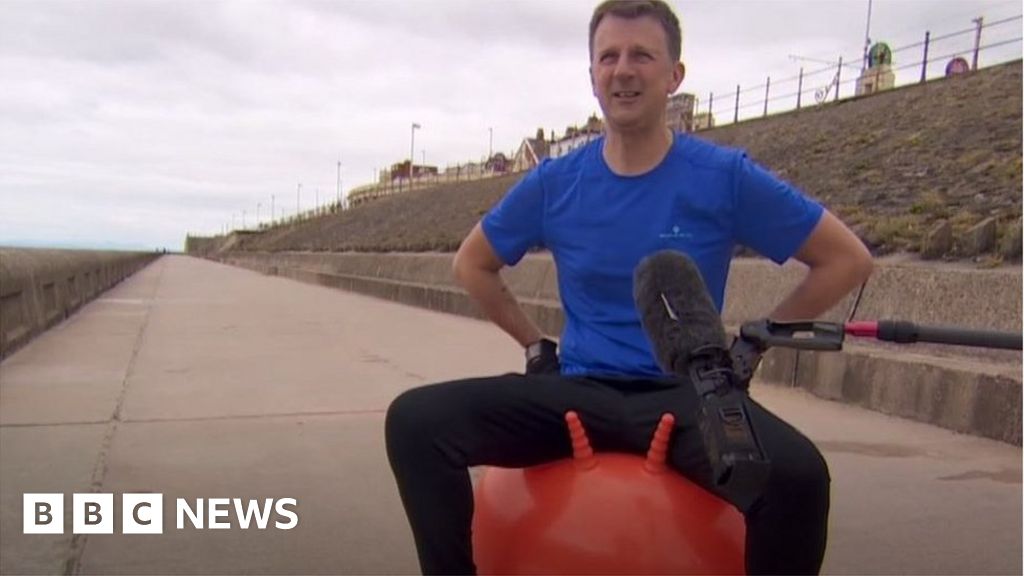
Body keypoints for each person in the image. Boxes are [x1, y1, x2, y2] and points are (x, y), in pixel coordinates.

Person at [385, 1, 874, 574]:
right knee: (415, 423)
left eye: (642, 55)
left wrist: (753, 341)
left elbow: (846, 259)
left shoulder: (724, 177)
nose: (623, 70)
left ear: (674, 75)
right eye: (608, 57)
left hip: (686, 397)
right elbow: (472, 264)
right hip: (579, 391)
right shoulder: (555, 182)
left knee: (800, 478)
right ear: (592, 75)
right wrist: (536, 345)